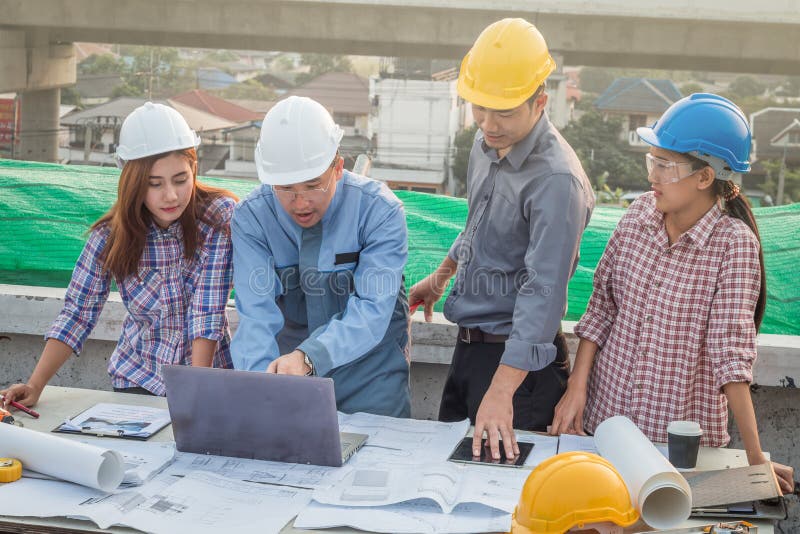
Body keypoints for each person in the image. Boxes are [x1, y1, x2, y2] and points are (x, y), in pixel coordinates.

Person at [550, 93, 795, 493]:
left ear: (705, 177)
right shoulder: (638, 215)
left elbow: (730, 357)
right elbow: (601, 309)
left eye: (665, 165)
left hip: (680, 451)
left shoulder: (733, 245)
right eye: (652, 161)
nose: (652, 176)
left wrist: (755, 461)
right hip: (606, 428)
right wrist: (577, 388)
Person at [409, 18, 594, 459]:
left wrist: (501, 390)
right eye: (479, 108)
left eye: (504, 112)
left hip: (518, 374)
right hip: (469, 351)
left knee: (503, 493)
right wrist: (441, 277)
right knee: (445, 477)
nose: (488, 124)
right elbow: (478, 225)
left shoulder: (557, 182)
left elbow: (543, 295)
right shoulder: (485, 144)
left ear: (539, 102)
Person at [1, 102, 237, 407]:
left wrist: (195, 395)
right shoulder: (110, 237)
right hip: (138, 380)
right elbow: (78, 312)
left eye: (181, 179)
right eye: (154, 184)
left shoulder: (219, 218)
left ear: (194, 169)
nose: (171, 195)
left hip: (207, 381)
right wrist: (34, 385)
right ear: (132, 182)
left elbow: (207, 311)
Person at [230, 96, 410, 417]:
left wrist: (310, 357)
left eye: (313, 185)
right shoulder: (252, 219)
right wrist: (261, 388)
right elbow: (256, 317)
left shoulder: (380, 211)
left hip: (371, 383)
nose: (300, 203)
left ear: (338, 168)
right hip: (290, 385)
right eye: (285, 188)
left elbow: (372, 309)